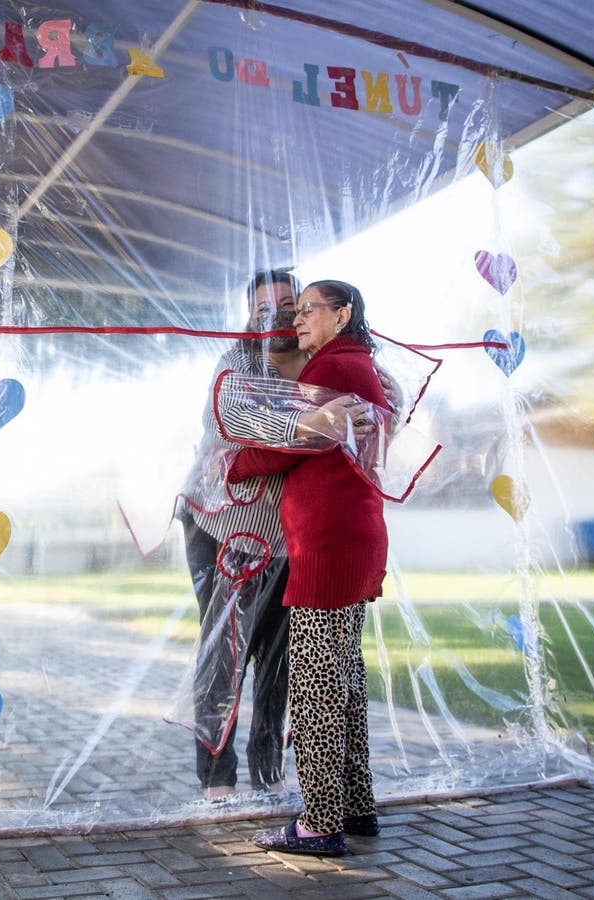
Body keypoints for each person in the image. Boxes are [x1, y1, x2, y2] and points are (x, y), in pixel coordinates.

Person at [177, 269, 372, 800]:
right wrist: (312, 426)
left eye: (290, 303)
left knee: (280, 655)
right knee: (224, 648)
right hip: (220, 523)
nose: (281, 314)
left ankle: (268, 770)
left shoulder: (320, 360)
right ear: (249, 314)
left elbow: (370, 410)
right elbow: (232, 422)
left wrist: (345, 419)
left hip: (291, 533)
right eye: (266, 306)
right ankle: (216, 779)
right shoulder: (237, 363)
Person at [225, 279, 388, 856]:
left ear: (342, 314)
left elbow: (291, 441)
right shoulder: (355, 363)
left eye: (307, 310)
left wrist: (237, 462)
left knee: (317, 686)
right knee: (344, 678)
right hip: (351, 540)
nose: (296, 320)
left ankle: (320, 823)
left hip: (327, 545)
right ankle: (356, 804)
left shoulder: (337, 368)